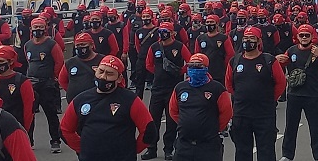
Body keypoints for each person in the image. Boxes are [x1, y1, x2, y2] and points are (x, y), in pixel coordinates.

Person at [60, 55, 158, 161]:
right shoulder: (81, 99)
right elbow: (65, 129)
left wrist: (131, 150)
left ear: (119, 78)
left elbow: (149, 131)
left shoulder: (130, 100)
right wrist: (83, 148)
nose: (103, 77)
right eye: (101, 71)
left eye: (109, 73)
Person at [225, 26, 287, 161]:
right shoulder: (235, 61)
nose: (248, 41)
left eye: (252, 38)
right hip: (241, 113)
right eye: (246, 38)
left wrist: (269, 99)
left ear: (259, 41)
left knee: (266, 150)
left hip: (264, 114)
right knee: (242, 150)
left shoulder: (269, 60)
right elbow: (229, 85)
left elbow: (281, 83)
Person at [276, 24, 318, 161]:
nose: (304, 38)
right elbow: (279, 66)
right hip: (294, 95)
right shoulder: (291, 51)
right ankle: (287, 155)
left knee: (316, 128)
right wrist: (279, 60)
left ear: (312, 37)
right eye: (301, 35)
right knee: (290, 127)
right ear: (297, 37)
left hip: (312, 95)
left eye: (306, 35)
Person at [168, 53, 233, 161]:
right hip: (184, 144)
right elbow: (173, 110)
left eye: (198, 66)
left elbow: (227, 112)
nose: (194, 69)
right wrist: (186, 123)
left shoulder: (217, 88)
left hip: (208, 145)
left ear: (206, 68)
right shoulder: (180, 87)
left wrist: (213, 127)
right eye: (191, 66)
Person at [143, 22, 191, 160]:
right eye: (161, 30)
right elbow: (148, 64)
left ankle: (168, 149)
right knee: (153, 120)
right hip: (157, 89)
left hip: (173, 89)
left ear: (172, 33)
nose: (163, 33)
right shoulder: (154, 47)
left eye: (166, 31)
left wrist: (180, 72)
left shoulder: (179, 47)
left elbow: (189, 61)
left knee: (171, 122)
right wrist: (159, 73)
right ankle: (151, 149)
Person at [23, 17, 64, 153]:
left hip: (47, 84)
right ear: (31, 30)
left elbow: (59, 61)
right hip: (32, 84)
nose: (38, 30)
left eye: (40, 28)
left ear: (45, 29)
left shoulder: (51, 44)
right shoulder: (28, 45)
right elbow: (29, 62)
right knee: (29, 114)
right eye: (35, 28)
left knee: (51, 113)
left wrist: (53, 77)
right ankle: (29, 141)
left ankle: (55, 140)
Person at [0, 45, 35, 138]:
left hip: (15, 127)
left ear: (11, 61)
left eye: (0, 61)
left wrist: (24, 130)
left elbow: (29, 109)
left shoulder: (21, 81)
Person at [59, 32, 105, 104]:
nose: (80, 47)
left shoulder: (103, 60)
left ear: (91, 45)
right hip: (74, 102)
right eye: (78, 45)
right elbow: (62, 80)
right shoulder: (70, 62)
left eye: (83, 44)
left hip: (97, 101)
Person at [195, 14, 234, 83]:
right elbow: (197, 54)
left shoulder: (223, 38)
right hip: (204, 72)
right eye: (207, 22)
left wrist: (223, 66)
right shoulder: (200, 38)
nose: (209, 24)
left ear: (217, 24)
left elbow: (230, 54)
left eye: (211, 22)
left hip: (219, 72)